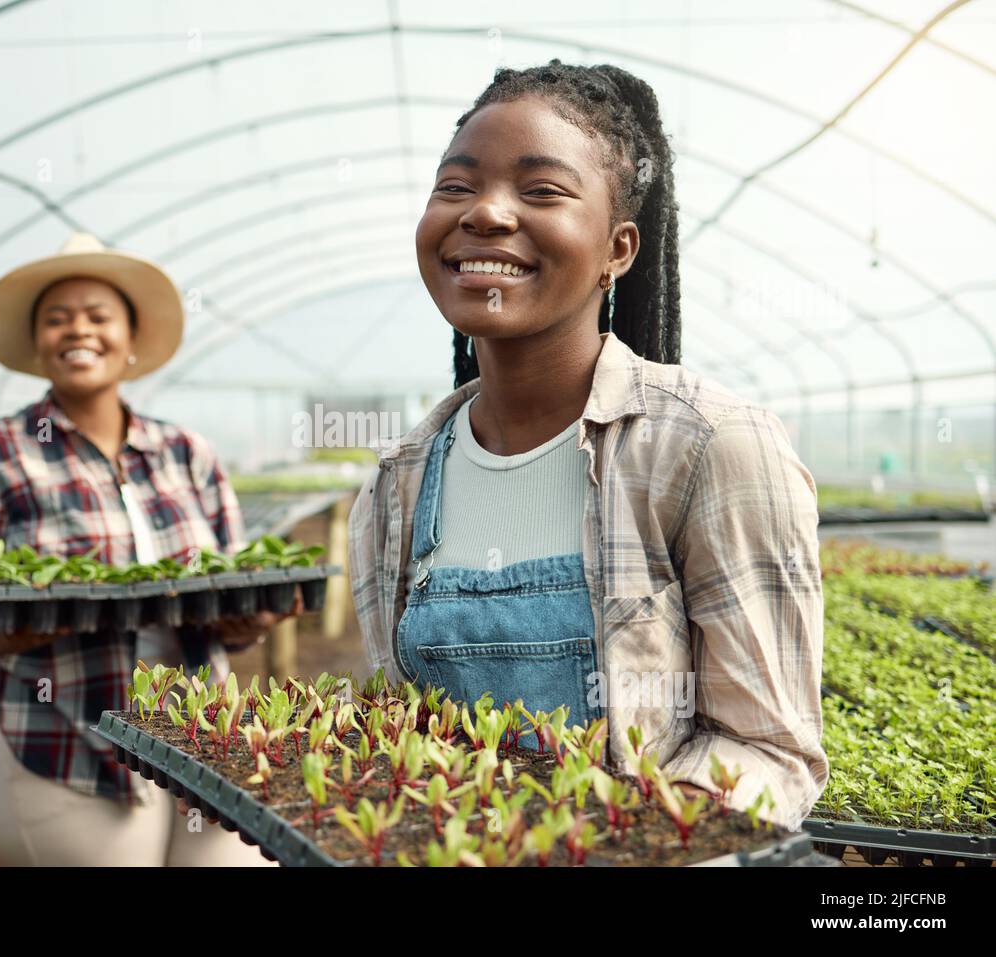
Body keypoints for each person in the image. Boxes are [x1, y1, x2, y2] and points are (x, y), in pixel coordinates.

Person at [347, 61, 828, 831]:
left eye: (541, 191)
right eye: (456, 186)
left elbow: (767, 751)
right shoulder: (395, 487)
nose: (486, 214)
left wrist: (621, 847)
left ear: (618, 248)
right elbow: (401, 740)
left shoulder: (708, 448)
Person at [0, 233, 285, 866]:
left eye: (97, 316)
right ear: (38, 343)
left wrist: (247, 622)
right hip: (62, 736)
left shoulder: (185, 454)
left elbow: (236, 588)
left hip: (199, 729)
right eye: (56, 319)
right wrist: (0, 633)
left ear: (131, 339)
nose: (77, 331)